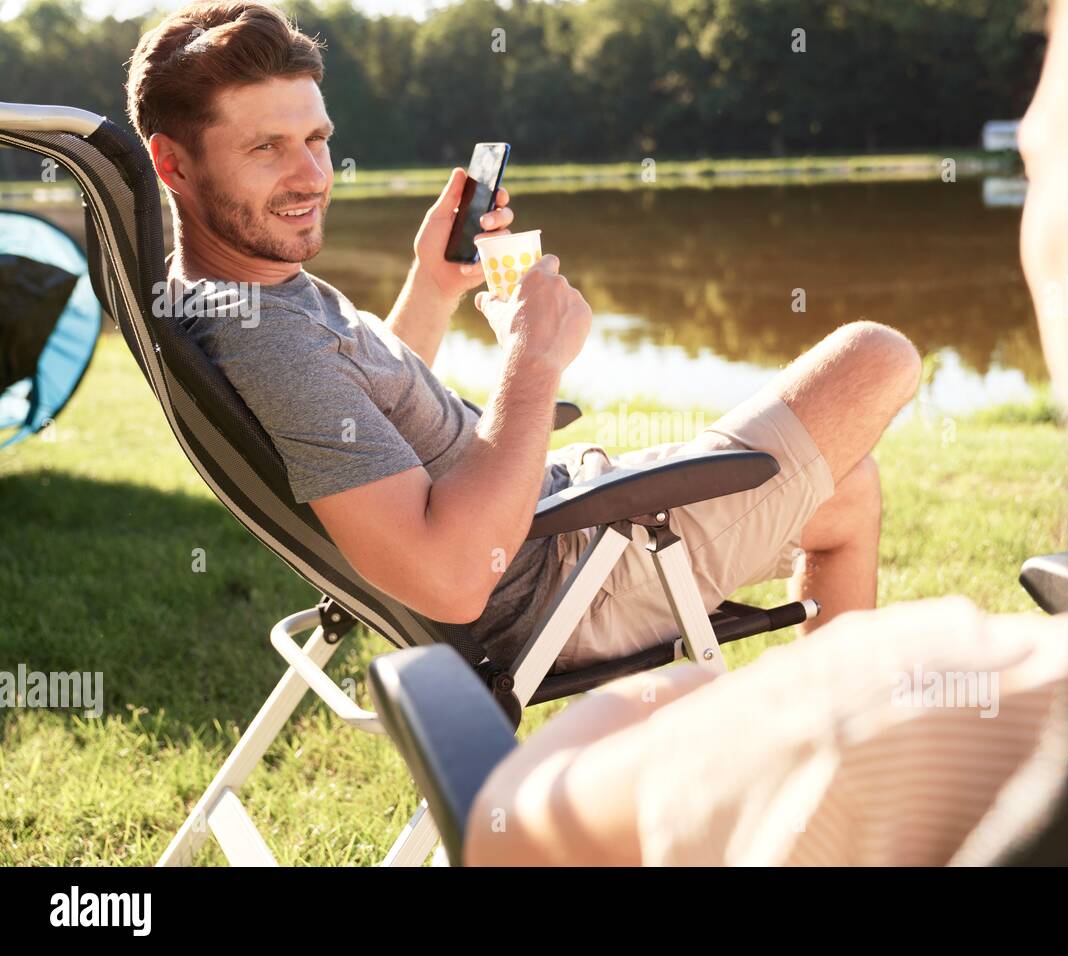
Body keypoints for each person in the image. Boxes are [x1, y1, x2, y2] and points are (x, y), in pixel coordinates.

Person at [461, 0, 1068, 865]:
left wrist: (654, 707)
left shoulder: (899, 720)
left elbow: (510, 835)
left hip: (576, 581)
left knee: (864, 398)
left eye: (1036, 156)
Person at [125, 1, 921, 674]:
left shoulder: (248, 295)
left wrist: (432, 283)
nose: (311, 176)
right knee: (877, 355)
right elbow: (452, 581)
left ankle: (833, 749)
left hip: (559, 528)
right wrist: (532, 358)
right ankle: (840, 770)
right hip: (568, 581)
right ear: (173, 165)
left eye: (317, 139)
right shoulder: (271, 342)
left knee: (846, 488)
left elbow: (361, 418)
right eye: (266, 147)